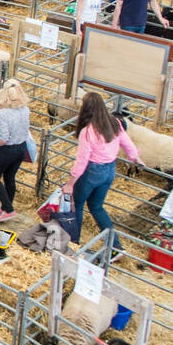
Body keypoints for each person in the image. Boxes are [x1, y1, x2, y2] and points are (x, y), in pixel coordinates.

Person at [62, 93, 145, 250]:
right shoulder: (114, 123)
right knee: (96, 206)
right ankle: (116, 246)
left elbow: (82, 160)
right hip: (109, 170)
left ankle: (73, 243)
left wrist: (70, 183)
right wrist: (135, 158)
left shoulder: (87, 132)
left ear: (85, 109)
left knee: (77, 205)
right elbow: (127, 143)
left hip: (92, 171)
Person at [0, 79, 31, 221]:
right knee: (9, 178)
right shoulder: (25, 109)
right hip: (21, 148)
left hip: (6, 150)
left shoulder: (3, 113)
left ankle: (9, 210)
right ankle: (6, 206)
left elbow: (4, 137)